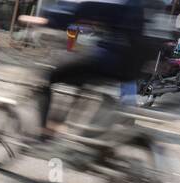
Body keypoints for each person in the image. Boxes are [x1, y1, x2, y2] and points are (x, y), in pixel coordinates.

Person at [33, 0, 147, 137]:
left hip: (109, 58)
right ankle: (123, 114)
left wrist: (49, 20)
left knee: (51, 76)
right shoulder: (141, 5)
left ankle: (46, 131)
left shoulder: (118, 3)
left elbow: (84, 9)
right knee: (81, 75)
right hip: (131, 63)